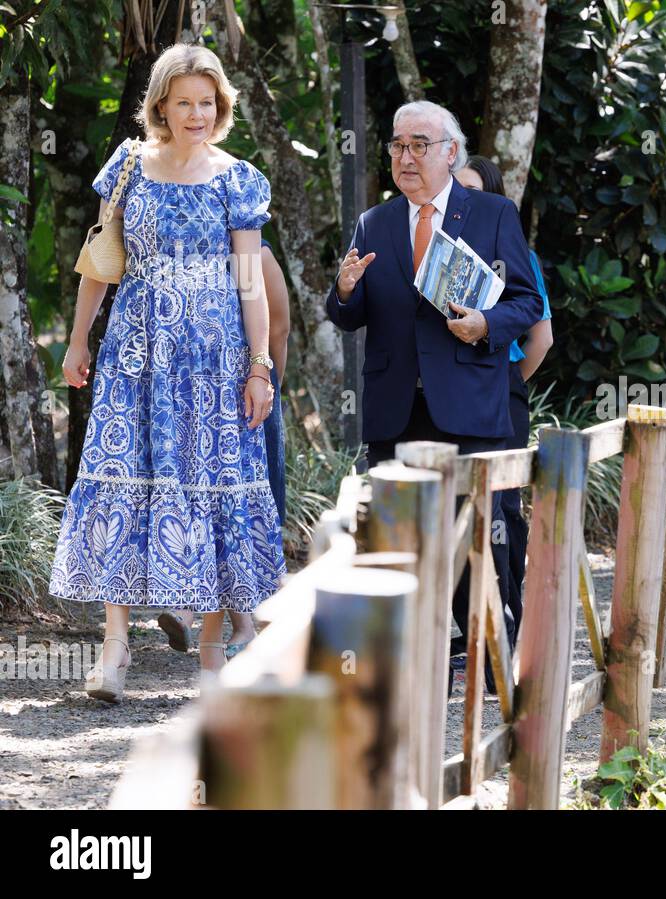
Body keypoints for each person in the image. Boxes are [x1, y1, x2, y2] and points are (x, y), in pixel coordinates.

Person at [50, 44, 285, 702]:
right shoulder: (128, 166)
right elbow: (100, 262)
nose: (196, 114)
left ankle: (212, 655)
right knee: (123, 480)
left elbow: (250, 284)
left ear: (221, 106)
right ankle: (115, 649)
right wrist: (77, 340)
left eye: (207, 102)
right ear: (161, 105)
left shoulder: (238, 179)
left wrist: (259, 365)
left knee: (209, 486)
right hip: (136, 352)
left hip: (213, 360)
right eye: (183, 102)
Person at [324, 101, 542, 669]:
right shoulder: (375, 222)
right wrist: (344, 290)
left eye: (419, 145)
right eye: (398, 145)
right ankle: (400, 669)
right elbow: (349, 315)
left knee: (479, 543)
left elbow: (527, 301)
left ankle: (493, 663)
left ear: (451, 153)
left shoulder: (493, 214)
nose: (406, 156)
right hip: (395, 410)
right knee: (396, 546)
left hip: (469, 406)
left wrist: (486, 324)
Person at [155, 239, 289, 660]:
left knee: (243, 503)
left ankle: (249, 623)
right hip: (195, 392)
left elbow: (279, 330)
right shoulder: (180, 253)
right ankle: (195, 609)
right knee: (201, 497)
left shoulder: (257, 255)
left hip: (249, 392)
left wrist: (267, 384)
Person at [455, 156, 552, 631]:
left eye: (473, 192)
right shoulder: (438, 250)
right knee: (459, 506)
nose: (463, 200)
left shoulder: (516, 254)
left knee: (502, 508)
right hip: (450, 393)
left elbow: (542, 338)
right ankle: (467, 632)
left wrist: (510, 384)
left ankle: (507, 623)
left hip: (501, 388)